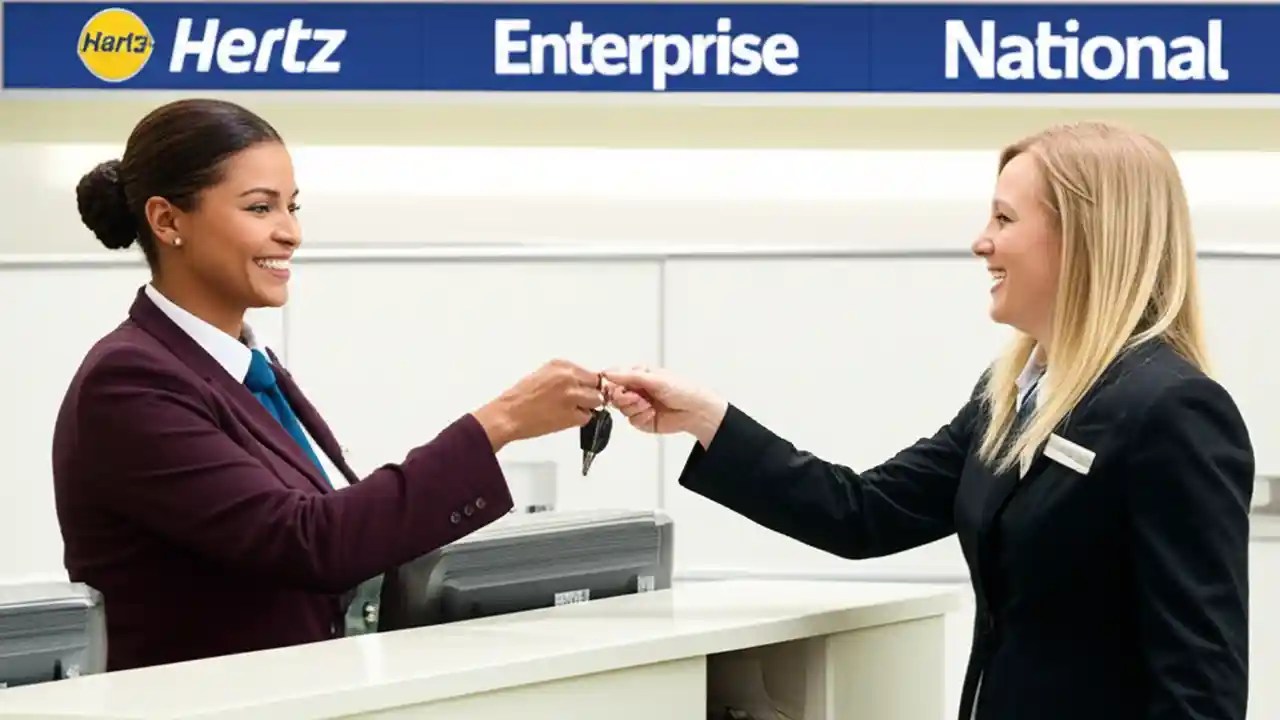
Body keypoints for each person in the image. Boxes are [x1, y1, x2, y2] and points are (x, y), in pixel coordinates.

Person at [603, 122, 1254, 720]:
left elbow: (1202, 690)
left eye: (1004, 218)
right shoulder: (1010, 398)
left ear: (1085, 236)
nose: (981, 242)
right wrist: (707, 420)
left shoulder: (1172, 412)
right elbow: (862, 512)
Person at [54, 98, 605, 671]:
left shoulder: (244, 367)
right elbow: (311, 542)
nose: (290, 233)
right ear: (168, 221)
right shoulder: (129, 382)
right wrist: (502, 422)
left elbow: (335, 537)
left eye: (292, 207)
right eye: (260, 207)